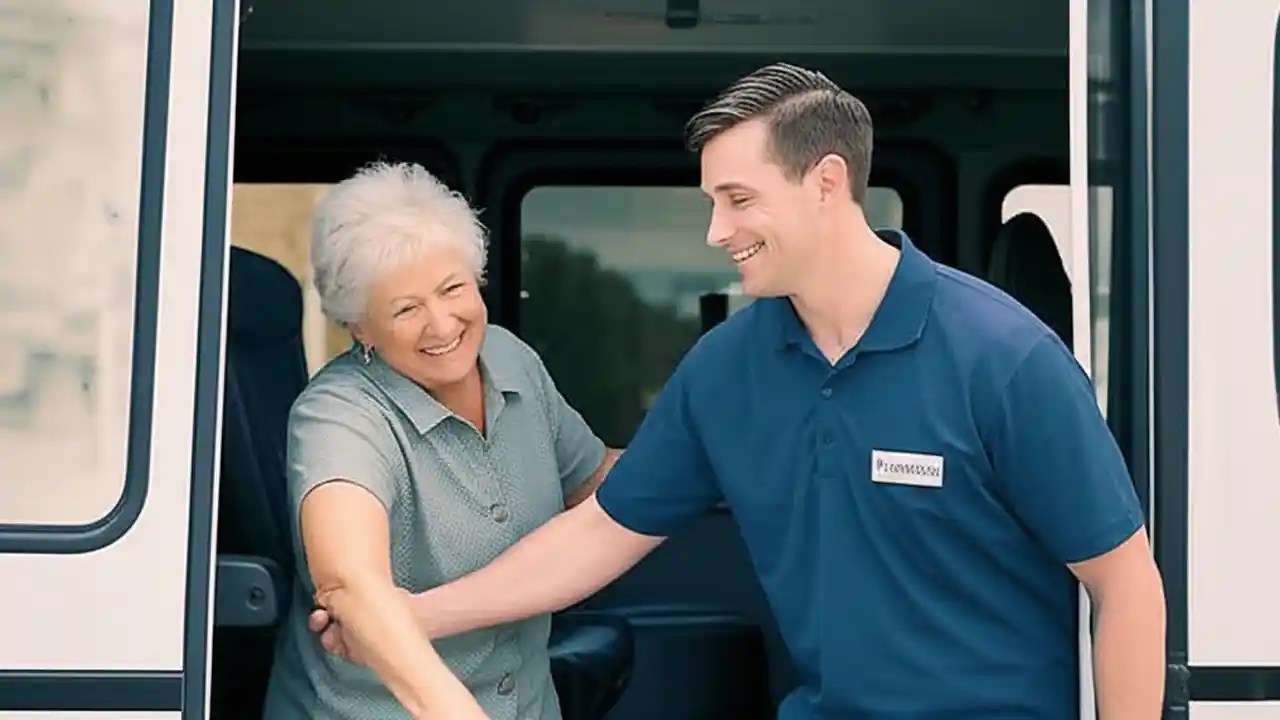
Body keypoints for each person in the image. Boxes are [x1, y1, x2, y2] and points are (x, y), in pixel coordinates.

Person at [311, 63, 1167, 718]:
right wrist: (412, 618)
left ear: (825, 184)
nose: (717, 231)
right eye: (712, 202)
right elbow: (598, 534)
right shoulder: (727, 368)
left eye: (738, 200)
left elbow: (1124, 582)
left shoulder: (1003, 356)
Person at [262, 161, 620, 720]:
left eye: (452, 288)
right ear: (360, 326)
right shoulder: (338, 415)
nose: (442, 324)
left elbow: (594, 479)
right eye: (406, 309)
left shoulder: (509, 357)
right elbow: (350, 585)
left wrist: (709, 453)